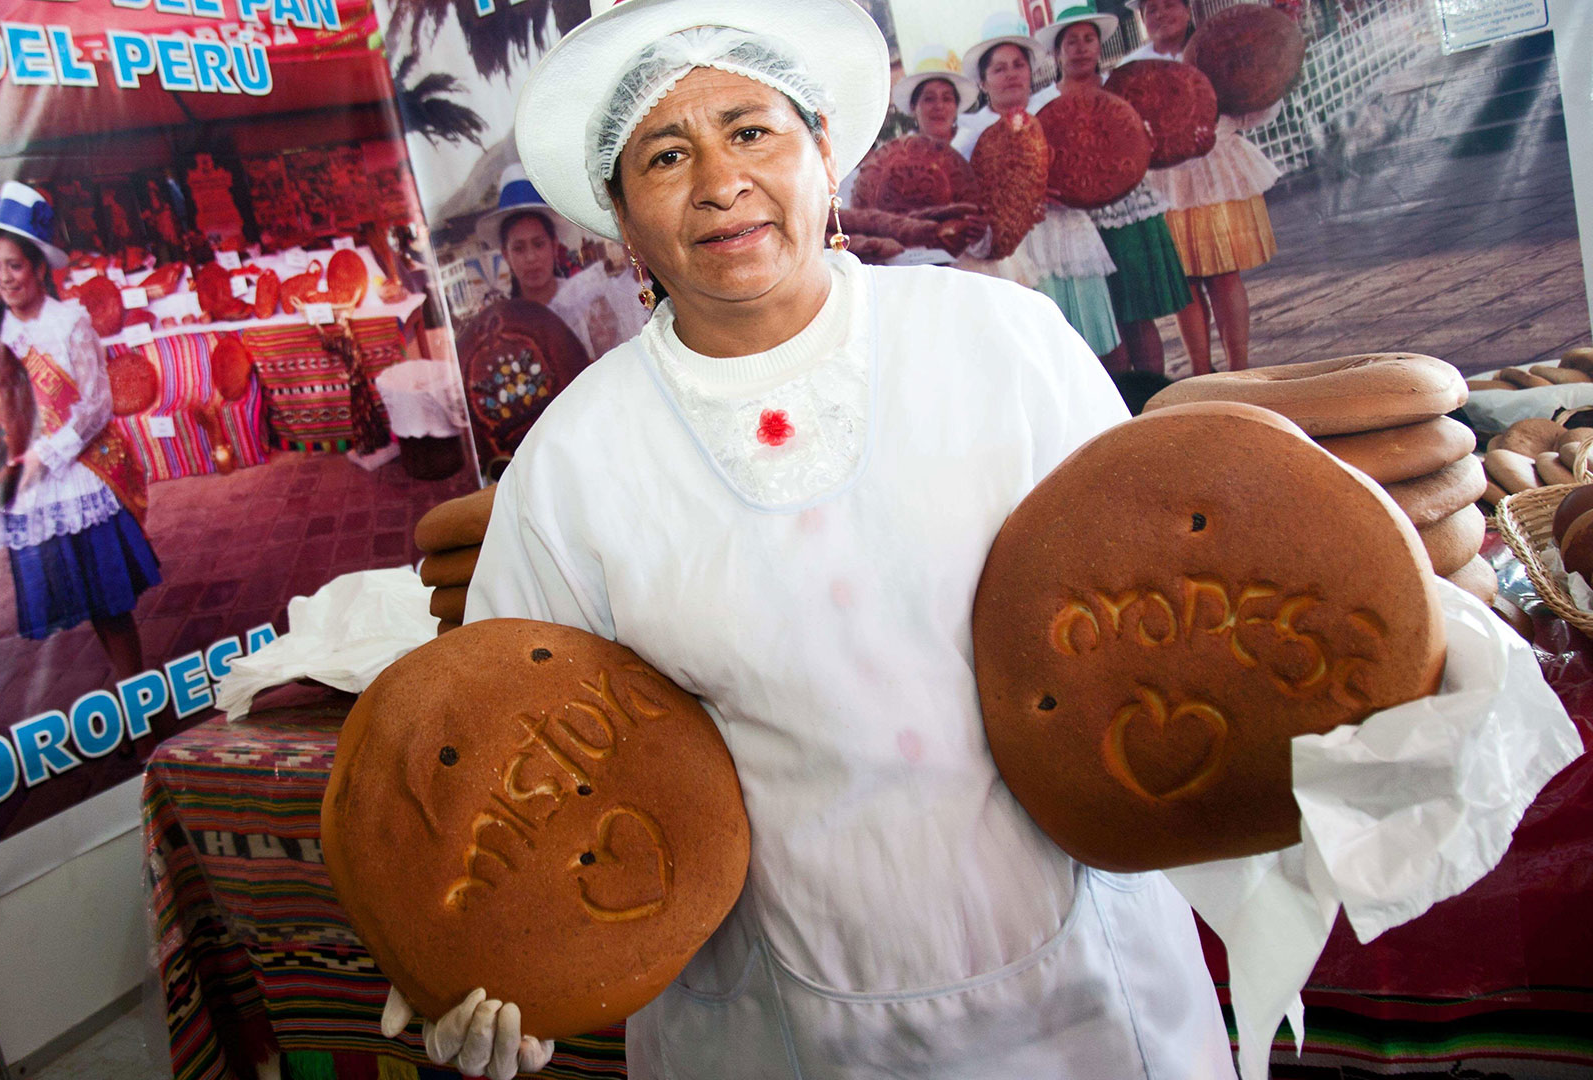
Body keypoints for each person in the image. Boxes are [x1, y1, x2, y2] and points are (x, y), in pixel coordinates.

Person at [380, 1, 1233, 1076]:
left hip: (1094, 994)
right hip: (775, 1026)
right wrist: (491, 956)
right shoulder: (576, 463)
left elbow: (1169, 613)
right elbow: (517, 754)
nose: (720, 182)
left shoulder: (999, 343)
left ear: (823, 146)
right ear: (619, 213)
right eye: (665, 154)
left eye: (751, 130)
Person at [0, 181, 159, 681]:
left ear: (37, 268)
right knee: (66, 602)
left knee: (109, 607)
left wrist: (45, 458)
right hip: (27, 492)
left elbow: (97, 406)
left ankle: (141, 704)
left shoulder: (69, 320)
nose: (5, 277)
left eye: (15, 265)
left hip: (76, 475)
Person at [1122, 0, 1282, 372]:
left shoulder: (1216, 52)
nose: (1161, 15)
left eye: (1169, 5)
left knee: (1225, 272)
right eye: (1151, 10)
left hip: (1215, 172)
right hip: (1164, 182)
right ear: (1143, 19)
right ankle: (1200, 369)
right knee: (1185, 279)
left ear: (1188, 10)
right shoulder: (1132, 68)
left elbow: (1253, 100)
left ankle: (1239, 367)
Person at [1037, 5, 1191, 375]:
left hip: (1128, 208)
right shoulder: (1043, 103)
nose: (1081, 48)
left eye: (1088, 39)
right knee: (1104, 319)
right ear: (1058, 51)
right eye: (1071, 41)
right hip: (1078, 220)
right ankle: (1122, 401)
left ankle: (1155, 390)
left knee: (1138, 311)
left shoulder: (1124, 87)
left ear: (1098, 45)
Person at [955, 32, 1122, 357]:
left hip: (1069, 236)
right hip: (1018, 252)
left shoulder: (1056, 112)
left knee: (1101, 348)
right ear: (983, 83)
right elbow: (968, 203)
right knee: (1049, 349)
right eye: (1000, 69)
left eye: (1019, 65)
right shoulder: (970, 136)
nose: (1012, 73)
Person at [477, 163, 648, 361]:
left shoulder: (587, 302)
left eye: (538, 244)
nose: (531, 258)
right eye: (519, 248)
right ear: (506, 254)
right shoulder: (505, 323)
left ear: (554, 245)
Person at [838, 56, 988, 266]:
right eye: (928, 99)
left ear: (956, 106)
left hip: (973, 265)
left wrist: (981, 230)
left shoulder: (974, 147)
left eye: (947, 99)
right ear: (913, 107)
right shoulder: (891, 160)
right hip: (915, 268)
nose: (939, 106)